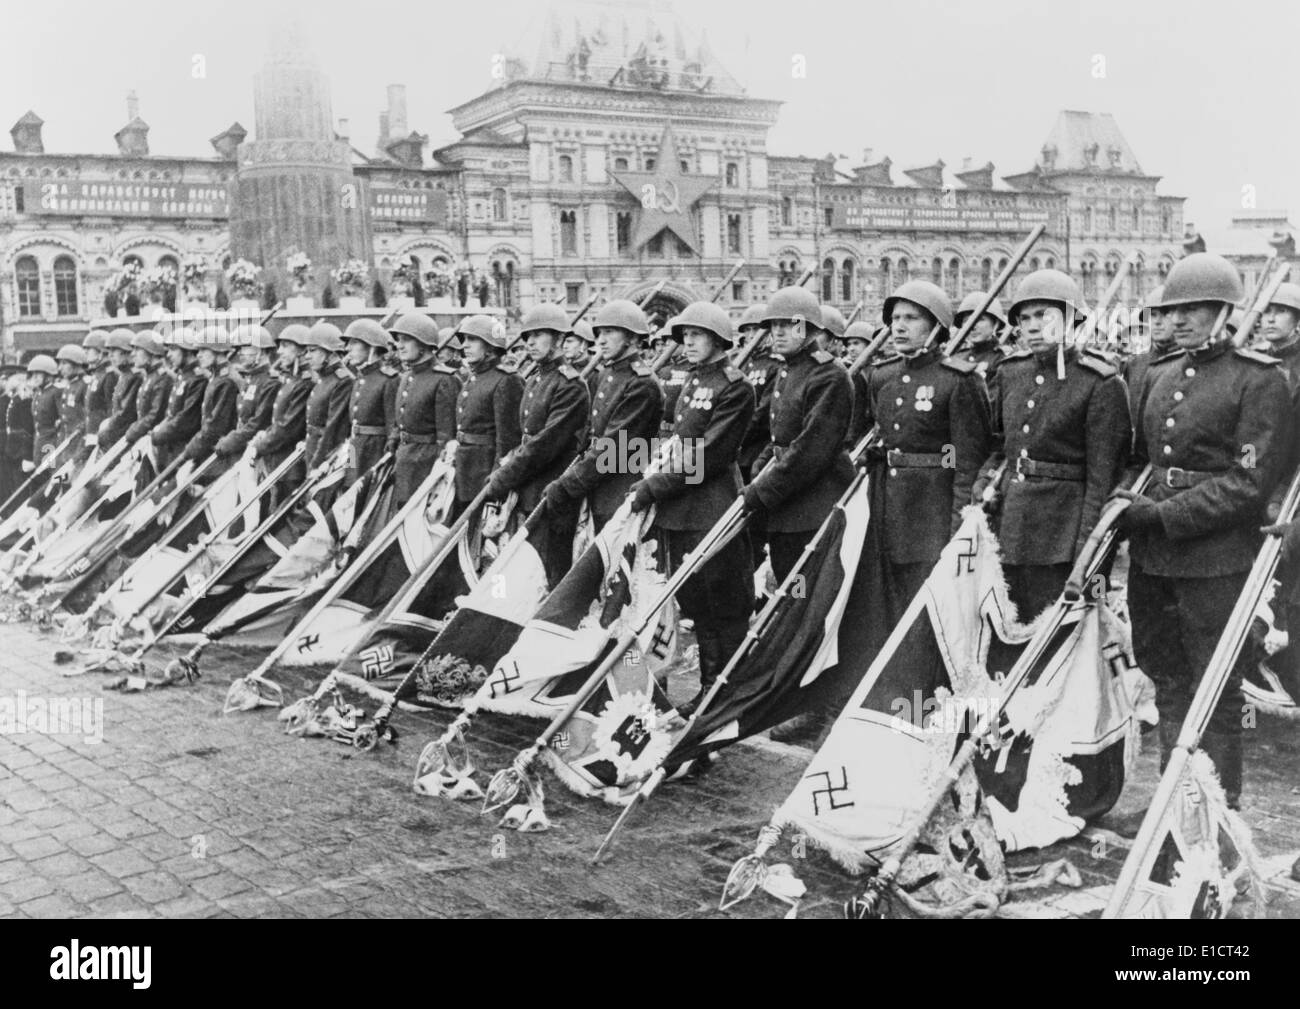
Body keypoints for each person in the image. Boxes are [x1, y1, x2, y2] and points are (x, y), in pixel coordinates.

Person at [1117, 253, 1292, 814]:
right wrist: (1128, 505)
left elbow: (1248, 481)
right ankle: (1175, 803)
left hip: (1215, 560)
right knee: (1167, 678)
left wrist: (1165, 516)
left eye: (1193, 309)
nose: (1179, 320)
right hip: (1153, 558)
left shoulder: (1258, 379)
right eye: (1173, 310)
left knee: (1214, 686)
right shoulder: (1161, 373)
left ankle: (1214, 813)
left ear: (1223, 311)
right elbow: (1140, 461)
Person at [975, 269, 1130, 620]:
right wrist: (984, 481)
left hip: (1063, 532)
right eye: (1025, 318)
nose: (1032, 327)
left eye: (1044, 316)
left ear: (1070, 319)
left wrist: (1087, 547)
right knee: (1006, 625)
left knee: (1063, 629)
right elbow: (999, 446)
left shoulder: (1100, 383)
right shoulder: (1011, 372)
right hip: (1011, 524)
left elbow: (1103, 477)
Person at [629, 302, 756, 718]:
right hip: (681, 507)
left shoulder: (735, 386)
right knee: (697, 603)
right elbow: (673, 440)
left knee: (723, 603)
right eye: (685, 336)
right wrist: (643, 474)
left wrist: (653, 487)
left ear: (718, 339)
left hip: (712, 505)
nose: (688, 342)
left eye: (696, 335)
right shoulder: (691, 380)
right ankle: (709, 689)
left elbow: (709, 454)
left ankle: (726, 693)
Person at [861, 280, 992, 624]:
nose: (899, 326)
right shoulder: (883, 376)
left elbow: (965, 461)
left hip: (932, 513)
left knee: (928, 612)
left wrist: (957, 528)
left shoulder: (958, 380)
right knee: (887, 608)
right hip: (887, 507)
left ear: (936, 327)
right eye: (895, 318)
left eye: (912, 318)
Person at [484, 303, 590, 582]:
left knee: (548, 569)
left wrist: (505, 476)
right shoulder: (535, 380)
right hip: (527, 487)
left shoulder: (571, 385)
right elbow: (523, 436)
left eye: (538, 335)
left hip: (551, 489)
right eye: (527, 336)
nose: (529, 342)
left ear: (558, 338)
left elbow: (545, 444)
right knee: (523, 567)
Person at [543, 298, 663, 535]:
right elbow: (589, 434)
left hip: (623, 485)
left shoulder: (642, 383)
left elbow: (615, 446)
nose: (601, 340)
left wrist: (568, 485)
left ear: (631, 337)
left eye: (609, 332)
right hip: (599, 481)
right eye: (599, 333)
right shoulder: (607, 373)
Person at [450, 315, 522, 518]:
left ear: (490, 346)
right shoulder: (474, 377)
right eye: (464, 339)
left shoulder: (506, 380)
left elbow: (507, 439)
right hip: (465, 468)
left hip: (484, 469)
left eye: (472, 339)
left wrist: (497, 477)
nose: (465, 345)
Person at [385, 313, 460, 506]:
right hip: (403, 460)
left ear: (424, 344)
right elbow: (399, 423)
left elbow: (446, 436)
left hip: (426, 466)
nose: (399, 345)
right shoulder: (406, 377)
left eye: (406, 340)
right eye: (398, 340)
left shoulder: (444, 379)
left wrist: (439, 473)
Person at [251, 323, 312, 505]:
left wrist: (259, 447)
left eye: (285, 346)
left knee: (284, 516)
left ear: (301, 349)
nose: (279, 351)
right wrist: (265, 434)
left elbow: (288, 428)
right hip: (279, 463)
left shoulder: (304, 382)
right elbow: (279, 421)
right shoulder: (293, 379)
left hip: (292, 467)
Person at [213, 325, 281, 468]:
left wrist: (230, 440)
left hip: (258, 457)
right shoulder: (251, 379)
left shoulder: (270, 382)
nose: (240, 353)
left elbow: (258, 423)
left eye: (246, 348)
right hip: (241, 451)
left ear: (261, 351)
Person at [343, 318, 398, 486]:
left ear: (371, 347)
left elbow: (392, 425)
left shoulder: (389, 380)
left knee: (367, 491)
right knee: (349, 487)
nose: (348, 348)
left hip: (374, 451)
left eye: (354, 343)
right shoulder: (361, 378)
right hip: (354, 447)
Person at [180, 326, 240, 471]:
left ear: (217, 350)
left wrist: (188, 451)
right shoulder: (217, 377)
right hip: (210, 454)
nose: (198, 355)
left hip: (222, 460)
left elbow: (215, 427)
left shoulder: (226, 381)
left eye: (203, 350)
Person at [151, 328, 208, 472]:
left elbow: (186, 420)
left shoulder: (197, 379)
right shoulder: (183, 376)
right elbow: (171, 413)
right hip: (171, 448)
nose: (168, 354)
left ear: (187, 351)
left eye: (173, 349)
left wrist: (159, 434)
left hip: (185, 450)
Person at [1122, 285, 1178, 423]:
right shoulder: (1135, 364)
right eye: (1153, 315)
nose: (1157, 322)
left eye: (1165, 314)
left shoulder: (1189, 362)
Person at [301, 322, 353, 472]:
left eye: (312, 350)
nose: (307, 356)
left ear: (330, 352)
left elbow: (332, 428)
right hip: (315, 451)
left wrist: (316, 464)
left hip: (330, 458)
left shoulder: (343, 380)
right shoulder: (324, 378)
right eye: (306, 351)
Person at [122, 331, 173, 452]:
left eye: (137, 349)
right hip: (143, 439)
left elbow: (155, 415)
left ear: (151, 352)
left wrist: (134, 431)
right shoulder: (149, 376)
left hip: (157, 444)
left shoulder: (163, 378)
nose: (133, 354)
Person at [96, 329, 143, 452]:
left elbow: (126, 413)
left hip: (128, 439)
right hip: (119, 437)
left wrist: (107, 430)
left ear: (127, 352)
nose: (110, 355)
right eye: (109, 351)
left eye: (114, 351)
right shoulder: (124, 375)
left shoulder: (135, 377)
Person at [951, 291, 1010, 379]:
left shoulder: (1004, 360)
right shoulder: (957, 358)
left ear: (995, 324)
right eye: (966, 321)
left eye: (980, 320)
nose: (972, 326)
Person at [81, 330, 117, 460]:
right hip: (92, 434)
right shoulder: (97, 374)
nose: (85, 352)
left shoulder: (109, 375)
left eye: (89, 349)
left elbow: (111, 408)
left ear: (100, 352)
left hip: (102, 436)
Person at [1, 366, 32, 509]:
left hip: (24, 450)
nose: (5, 382)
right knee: (13, 484)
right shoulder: (15, 398)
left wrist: (26, 453)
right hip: (13, 449)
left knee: (23, 485)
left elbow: (28, 427)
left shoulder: (24, 399)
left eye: (8, 379)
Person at [26, 354, 61, 476]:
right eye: (33, 373)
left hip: (51, 442)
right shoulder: (38, 393)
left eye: (38, 373)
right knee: (40, 474)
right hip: (39, 441)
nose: (34, 377)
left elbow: (62, 418)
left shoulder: (55, 392)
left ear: (48, 376)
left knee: (51, 475)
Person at [53, 344, 88, 460]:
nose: (60, 368)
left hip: (80, 442)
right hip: (68, 441)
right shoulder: (69, 386)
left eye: (64, 363)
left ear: (76, 364)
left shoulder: (84, 385)